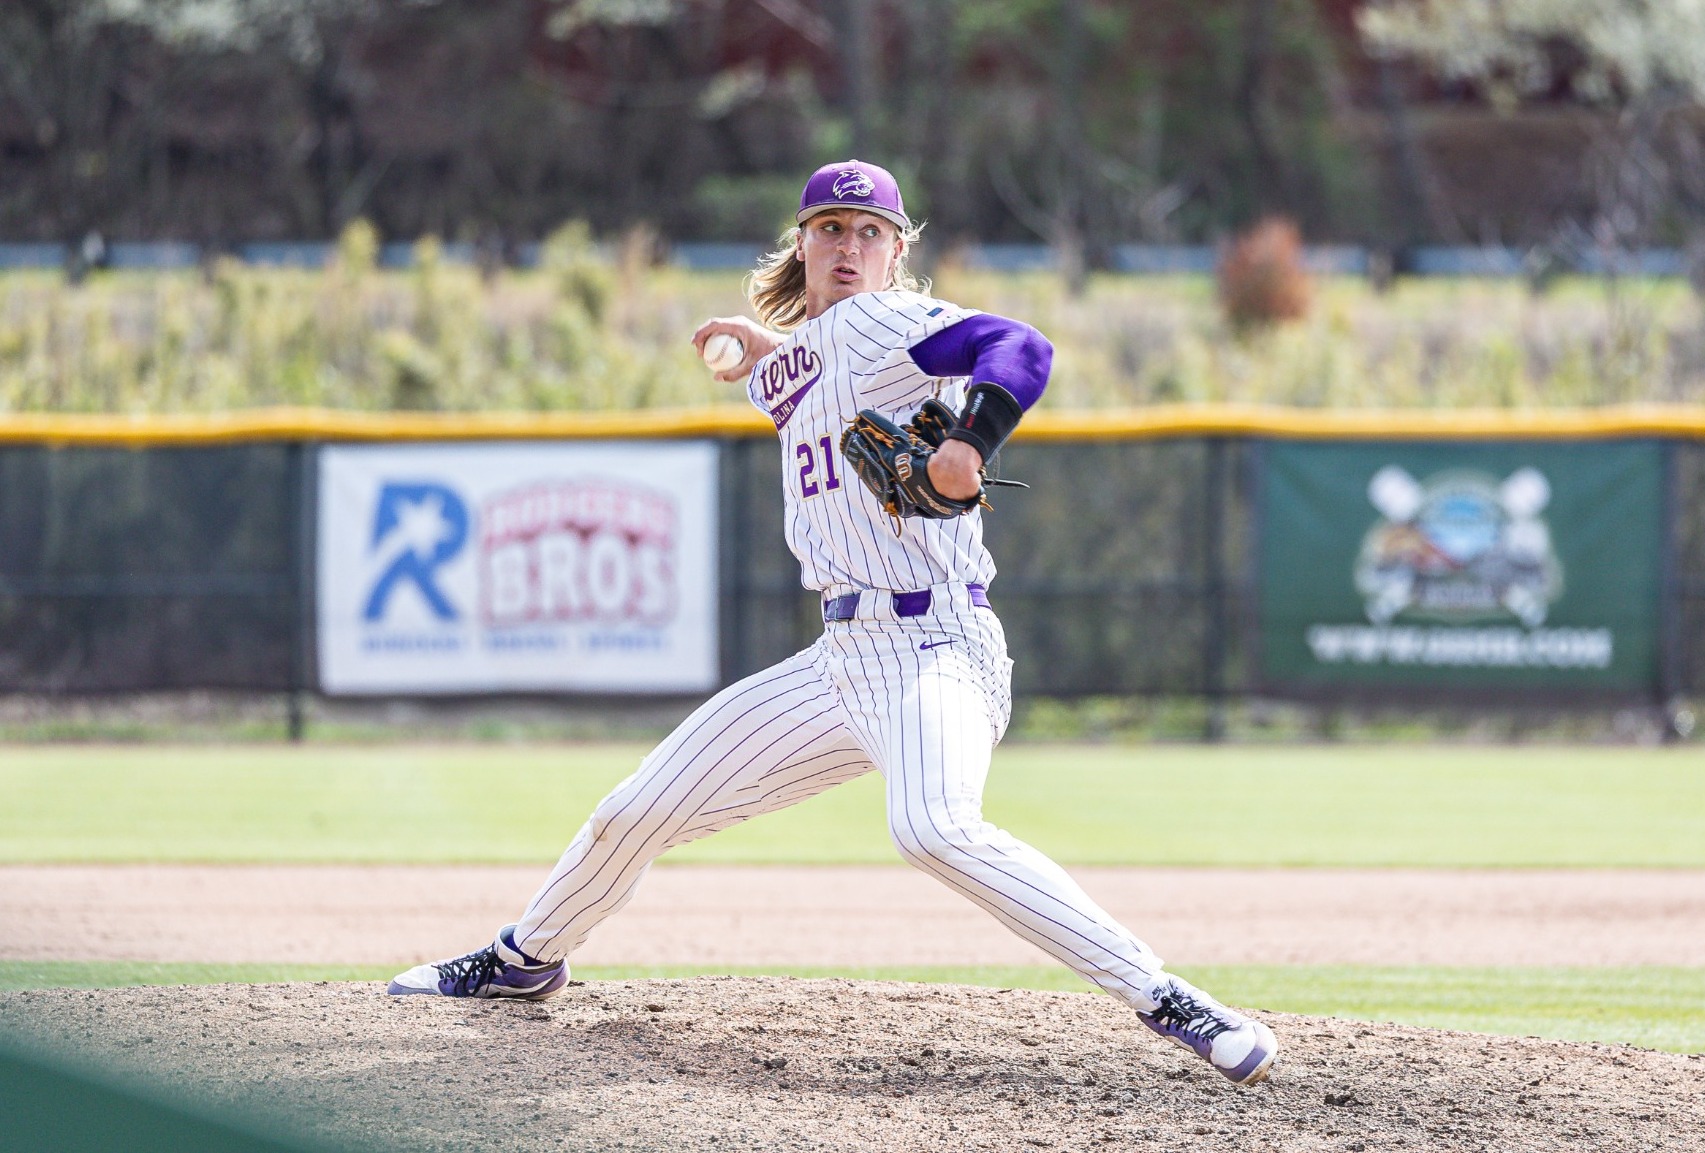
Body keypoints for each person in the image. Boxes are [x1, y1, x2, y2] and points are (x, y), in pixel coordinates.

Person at [387, 160, 1278, 1086]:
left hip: (937, 646)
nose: (848, 247)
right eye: (829, 229)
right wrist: (762, 350)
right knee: (633, 810)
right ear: (801, 242)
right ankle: (525, 958)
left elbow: (1022, 346)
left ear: (897, 252)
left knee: (931, 825)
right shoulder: (813, 353)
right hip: (840, 660)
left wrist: (971, 441)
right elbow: (811, 379)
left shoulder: (878, 320)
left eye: (868, 233)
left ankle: (1167, 996)